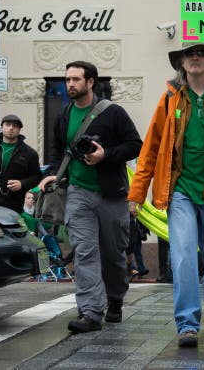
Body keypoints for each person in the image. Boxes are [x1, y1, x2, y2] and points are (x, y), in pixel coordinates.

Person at [128, 43, 204, 348]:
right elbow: (151, 148)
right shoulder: (171, 97)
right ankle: (186, 323)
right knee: (182, 256)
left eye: (199, 54)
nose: (193, 58)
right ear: (181, 63)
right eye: (187, 55)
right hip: (179, 190)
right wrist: (137, 193)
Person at [38, 61, 142, 334]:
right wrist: (52, 173)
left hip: (111, 195)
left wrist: (104, 154)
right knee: (84, 252)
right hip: (78, 193)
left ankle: (115, 298)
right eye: (67, 79)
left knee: (113, 255)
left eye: (75, 79)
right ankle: (91, 312)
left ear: (91, 82)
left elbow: (135, 145)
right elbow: (58, 152)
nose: (70, 84)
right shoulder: (64, 115)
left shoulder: (114, 112)